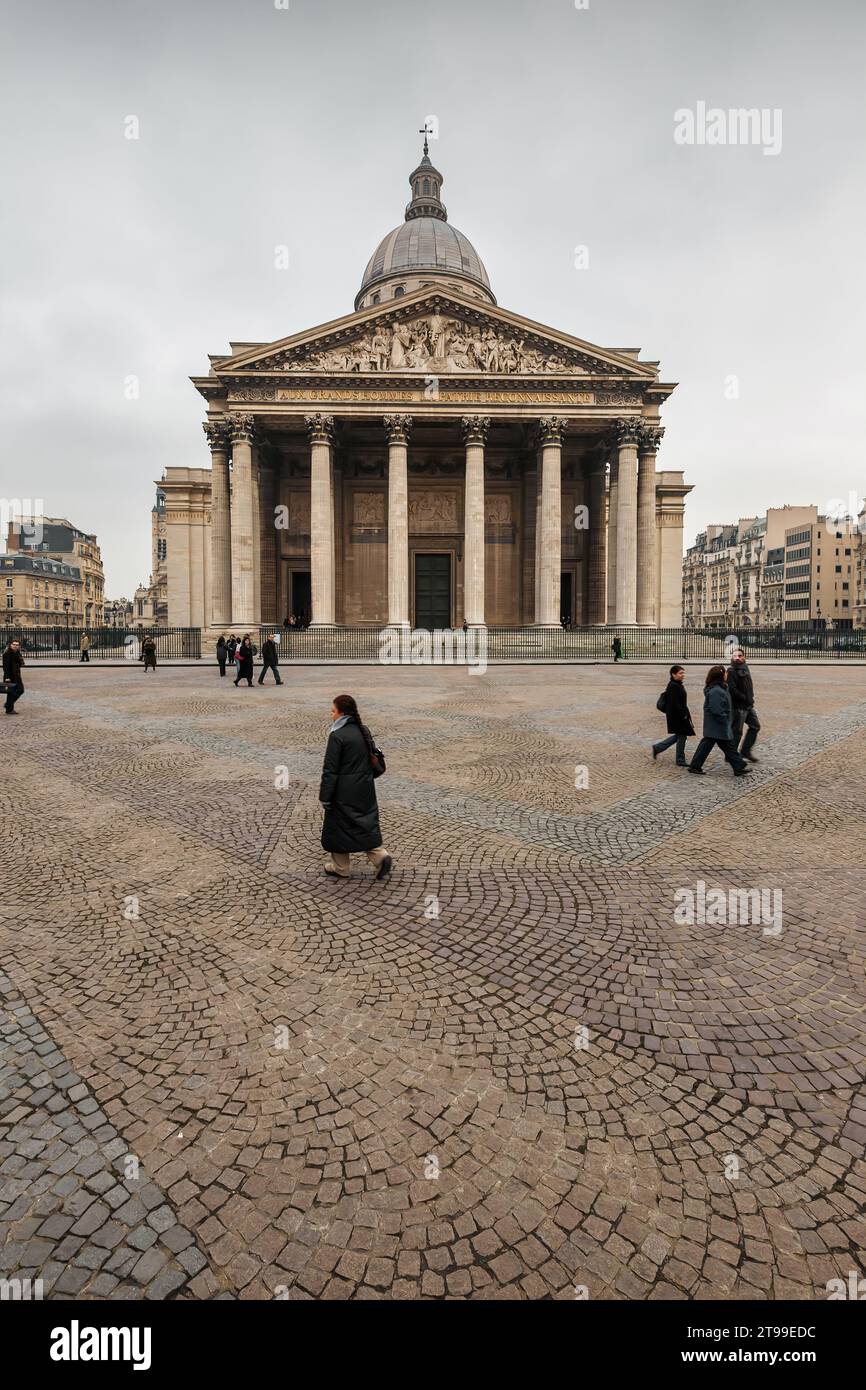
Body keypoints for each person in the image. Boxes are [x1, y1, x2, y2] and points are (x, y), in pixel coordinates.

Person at [319, 693, 392, 880]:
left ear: (341, 713)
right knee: (364, 823)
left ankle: (340, 867)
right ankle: (380, 856)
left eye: (333, 710)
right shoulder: (363, 729)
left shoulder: (337, 736)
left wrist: (325, 796)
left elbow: (330, 770)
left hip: (342, 791)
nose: (331, 713)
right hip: (364, 788)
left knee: (338, 828)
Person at [688, 665, 750, 777]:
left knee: (724, 746)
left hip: (716, 726)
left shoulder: (720, 688)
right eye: (725, 673)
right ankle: (738, 766)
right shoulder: (716, 691)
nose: (727, 675)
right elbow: (716, 709)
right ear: (720, 676)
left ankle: (738, 767)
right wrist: (725, 719)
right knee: (725, 746)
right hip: (717, 725)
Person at [652, 664, 695, 766]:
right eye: (680, 673)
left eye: (683, 673)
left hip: (679, 715)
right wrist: (683, 715)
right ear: (673, 674)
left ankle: (658, 748)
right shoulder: (673, 686)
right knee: (682, 736)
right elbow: (674, 704)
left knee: (680, 736)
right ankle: (680, 759)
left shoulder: (677, 684)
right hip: (678, 717)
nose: (682, 675)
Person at [728, 647, 760, 762]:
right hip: (738, 706)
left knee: (755, 726)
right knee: (737, 732)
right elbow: (732, 690)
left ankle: (745, 751)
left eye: (740, 655)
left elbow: (748, 685)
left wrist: (750, 698)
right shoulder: (731, 671)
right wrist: (745, 698)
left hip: (748, 705)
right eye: (735, 656)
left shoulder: (745, 668)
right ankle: (731, 755)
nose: (737, 658)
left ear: (744, 657)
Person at [3, 639, 25, 714]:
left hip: (17, 675)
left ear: (19, 646)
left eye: (17, 645)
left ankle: (8, 707)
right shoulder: (7, 653)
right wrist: (7, 677)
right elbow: (6, 666)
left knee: (17, 691)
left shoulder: (17, 652)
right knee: (14, 692)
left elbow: (20, 663)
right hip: (10, 676)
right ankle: (8, 707)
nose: (15, 646)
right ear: (11, 645)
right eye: (14, 644)